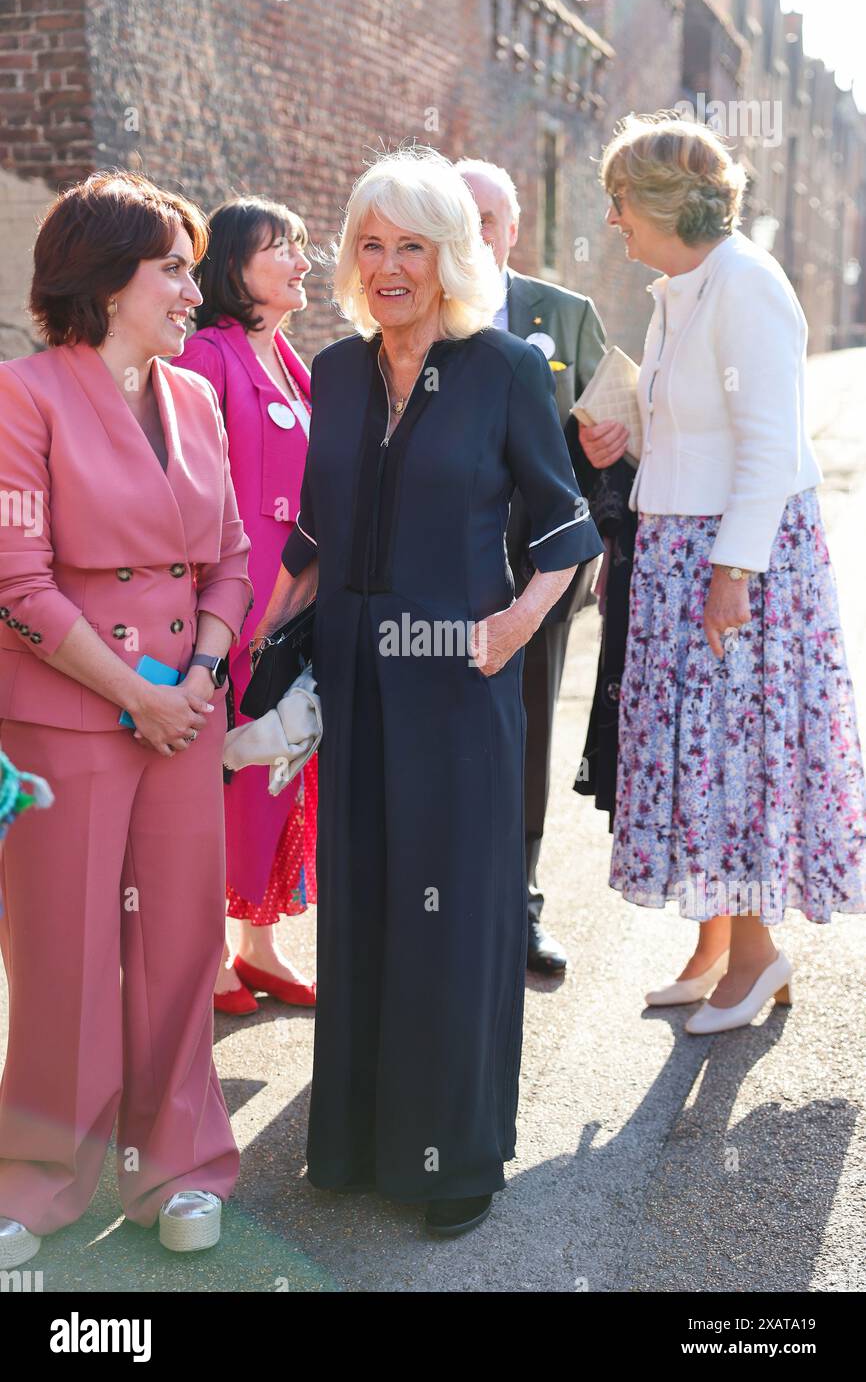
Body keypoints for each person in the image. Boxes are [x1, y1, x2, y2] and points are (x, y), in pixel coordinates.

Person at [253, 146, 602, 1236]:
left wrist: (509, 628)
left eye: (412, 244)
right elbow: (311, 537)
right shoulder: (339, 371)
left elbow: (564, 532)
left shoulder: (500, 367)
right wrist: (249, 650)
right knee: (363, 899)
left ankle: (451, 1159)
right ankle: (357, 1138)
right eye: (371, 244)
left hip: (460, 683)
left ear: (450, 255)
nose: (390, 264)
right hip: (357, 684)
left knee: (449, 916)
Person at [0, 171, 253, 1269]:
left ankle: (181, 1166)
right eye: (176, 270)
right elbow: (16, 580)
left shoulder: (195, 396)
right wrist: (138, 693)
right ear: (106, 281)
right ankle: (37, 1178)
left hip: (183, 717)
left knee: (179, 942)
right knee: (61, 952)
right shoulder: (23, 395)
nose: (195, 292)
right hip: (66, 716)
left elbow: (235, 557)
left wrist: (193, 674)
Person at [582, 113, 866, 1033]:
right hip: (681, 549)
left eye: (622, 204)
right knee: (700, 750)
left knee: (735, 755)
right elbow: (696, 425)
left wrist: (732, 571)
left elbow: (769, 443)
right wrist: (628, 433)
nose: (615, 221)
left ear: (665, 204)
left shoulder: (746, 285)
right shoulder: (684, 286)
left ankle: (755, 956)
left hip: (737, 558)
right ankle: (714, 947)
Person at [456, 158, 606, 974]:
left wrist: (611, 454)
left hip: (540, 569)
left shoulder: (566, 316)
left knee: (528, 729)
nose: (477, 231)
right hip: (438, 566)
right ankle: (440, 903)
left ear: (515, 228)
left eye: (490, 217)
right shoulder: (415, 314)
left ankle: (520, 903)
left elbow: (610, 437)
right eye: (461, 214)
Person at [173, 196, 318, 1015]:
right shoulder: (206, 355)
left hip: (296, 607)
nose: (301, 262)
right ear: (234, 267)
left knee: (280, 766)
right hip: (233, 608)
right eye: (281, 250)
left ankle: (257, 942)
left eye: (300, 247)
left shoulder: (294, 361)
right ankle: (205, 956)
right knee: (224, 772)